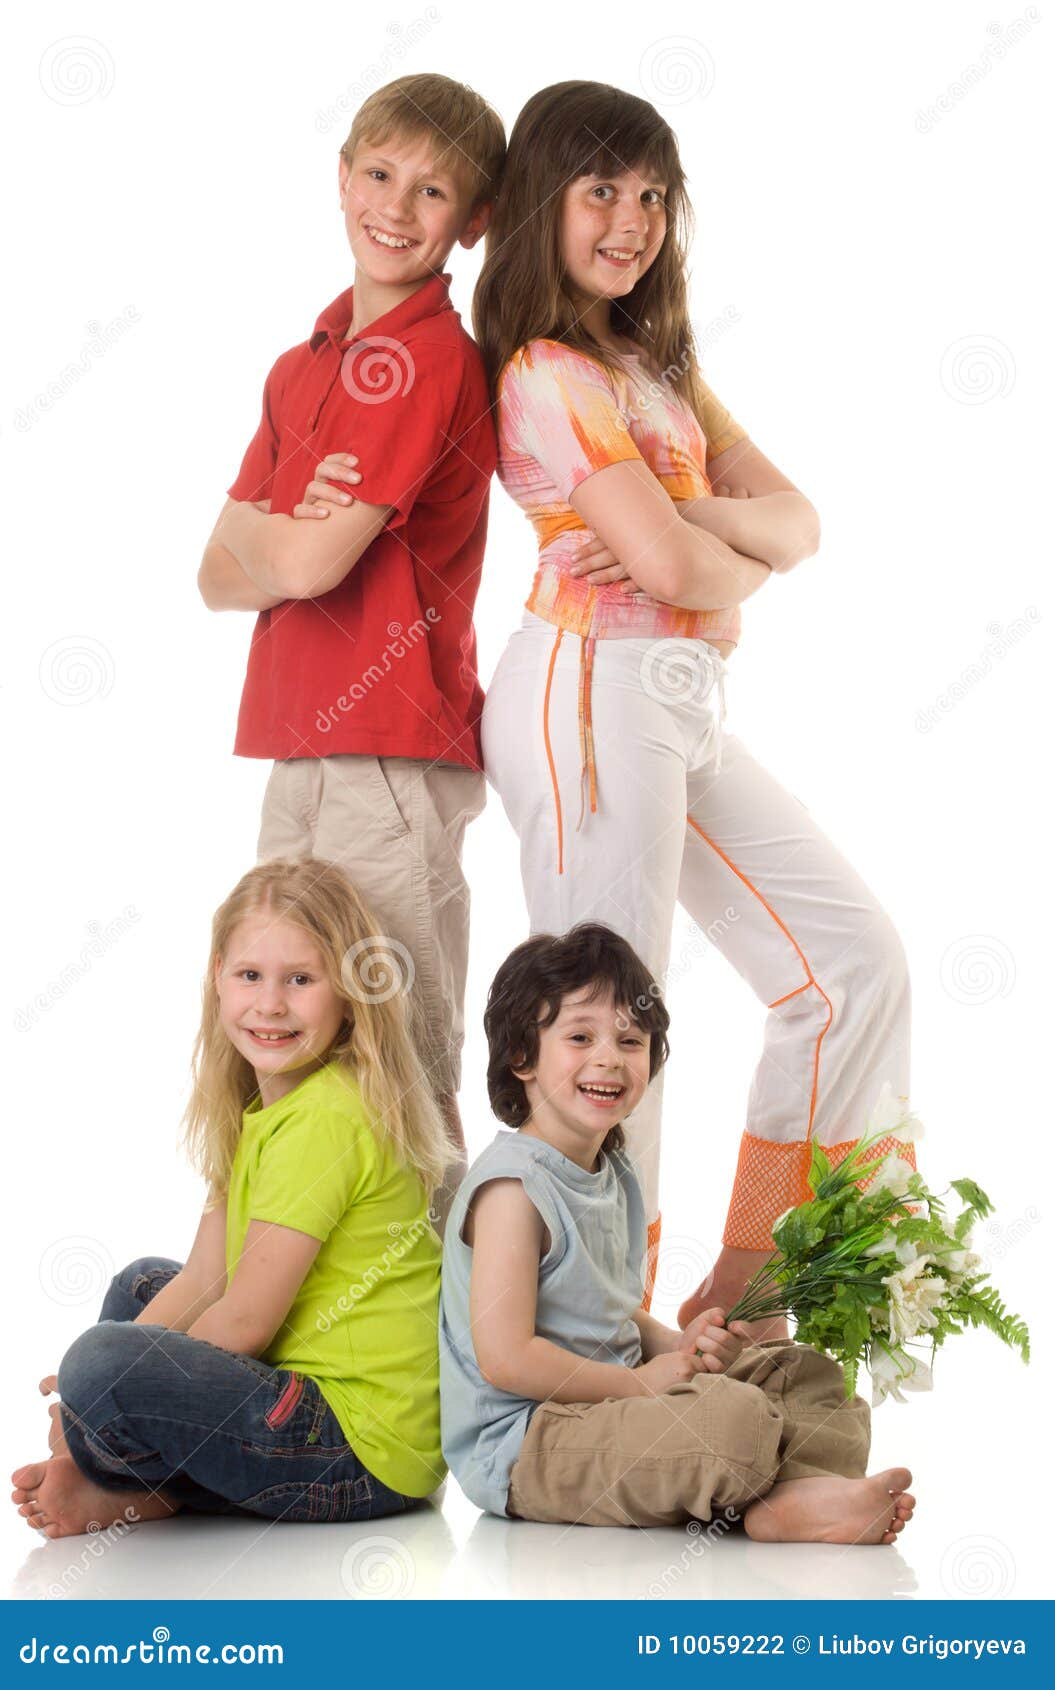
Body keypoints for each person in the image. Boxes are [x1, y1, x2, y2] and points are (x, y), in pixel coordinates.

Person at [471, 80, 913, 1317]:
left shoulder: (653, 364)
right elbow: (666, 571)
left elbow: (800, 523)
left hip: (678, 698)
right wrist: (704, 547)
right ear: (536, 208)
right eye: (599, 190)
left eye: (652, 193)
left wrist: (697, 523)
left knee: (850, 961)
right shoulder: (546, 373)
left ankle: (748, 1285)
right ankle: (588, 1339)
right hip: (585, 697)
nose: (631, 220)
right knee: (602, 1025)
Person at [197, 75, 507, 1217]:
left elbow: (304, 567)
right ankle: (288, 1298)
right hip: (298, 744)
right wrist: (277, 531)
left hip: (388, 748)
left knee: (399, 1050)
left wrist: (268, 531)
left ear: (468, 223)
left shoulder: (427, 360)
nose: (395, 204)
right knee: (281, 1037)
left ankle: (453, 1344)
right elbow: (213, 572)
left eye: (432, 190)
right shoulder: (303, 364)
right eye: (378, 173)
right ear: (340, 176)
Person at [11, 859, 452, 1538]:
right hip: (302, 1401)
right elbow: (204, 1278)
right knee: (141, 1289)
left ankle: (138, 1484)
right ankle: (141, 1480)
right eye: (250, 976)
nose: (270, 1005)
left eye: (300, 980)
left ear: (347, 995)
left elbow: (243, 1322)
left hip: (358, 1454)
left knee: (101, 1359)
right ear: (217, 977)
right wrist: (94, 1402)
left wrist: (85, 1412)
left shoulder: (326, 1119)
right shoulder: (258, 1106)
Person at [439, 922, 916, 1541]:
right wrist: (636, 1384)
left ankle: (786, 1499)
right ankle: (776, 1497)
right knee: (733, 1425)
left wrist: (676, 1345)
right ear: (521, 1057)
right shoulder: (511, 1192)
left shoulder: (611, 1172)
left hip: (612, 1402)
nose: (609, 1057)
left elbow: (608, 1313)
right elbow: (506, 1359)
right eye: (580, 1036)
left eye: (630, 1040)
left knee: (810, 1377)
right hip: (531, 1441)